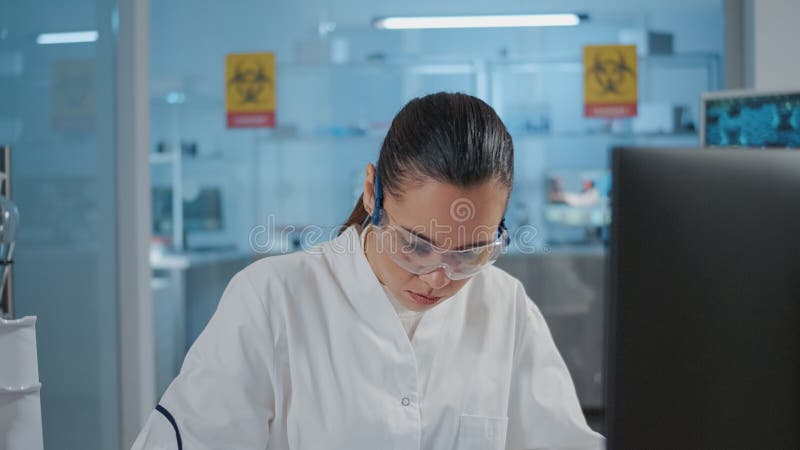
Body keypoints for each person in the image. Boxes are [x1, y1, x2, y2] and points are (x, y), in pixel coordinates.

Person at [132, 92, 604, 449]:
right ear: (371, 191)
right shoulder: (272, 299)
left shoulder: (506, 306)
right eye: (416, 245)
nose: (439, 277)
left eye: (470, 253)